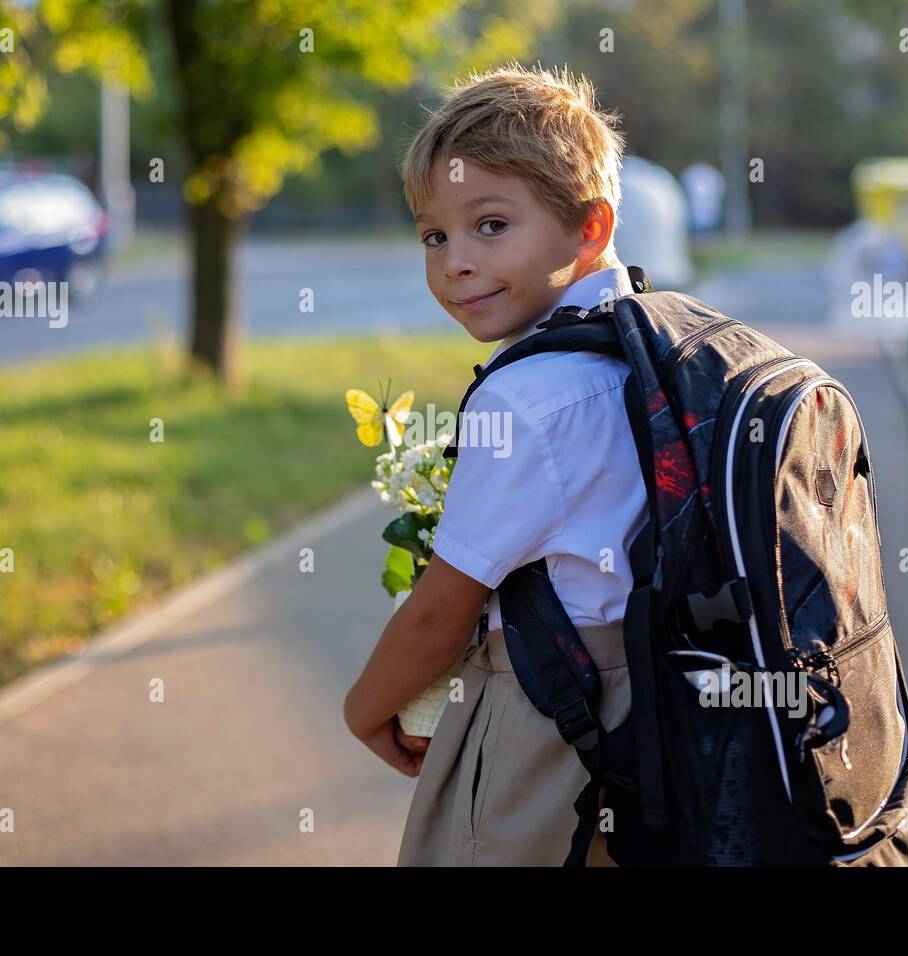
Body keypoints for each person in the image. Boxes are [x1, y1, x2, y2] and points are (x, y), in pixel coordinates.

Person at [343, 63, 646, 866]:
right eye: (433, 235)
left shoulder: (528, 400)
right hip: (651, 719)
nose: (454, 263)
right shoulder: (649, 347)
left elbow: (441, 612)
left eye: (490, 225)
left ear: (590, 225)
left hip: (551, 724)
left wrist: (364, 709)